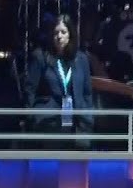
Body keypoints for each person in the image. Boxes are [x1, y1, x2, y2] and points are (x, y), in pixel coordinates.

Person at [22, 14, 94, 146]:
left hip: (78, 124)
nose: (59, 36)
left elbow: (87, 92)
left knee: (77, 165)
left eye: (63, 32)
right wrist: (31, 117)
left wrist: (88, 117)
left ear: (70, 35)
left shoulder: (81, 58)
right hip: (48, 122)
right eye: (56, 33)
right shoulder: (40, 57)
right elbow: (29, 90)